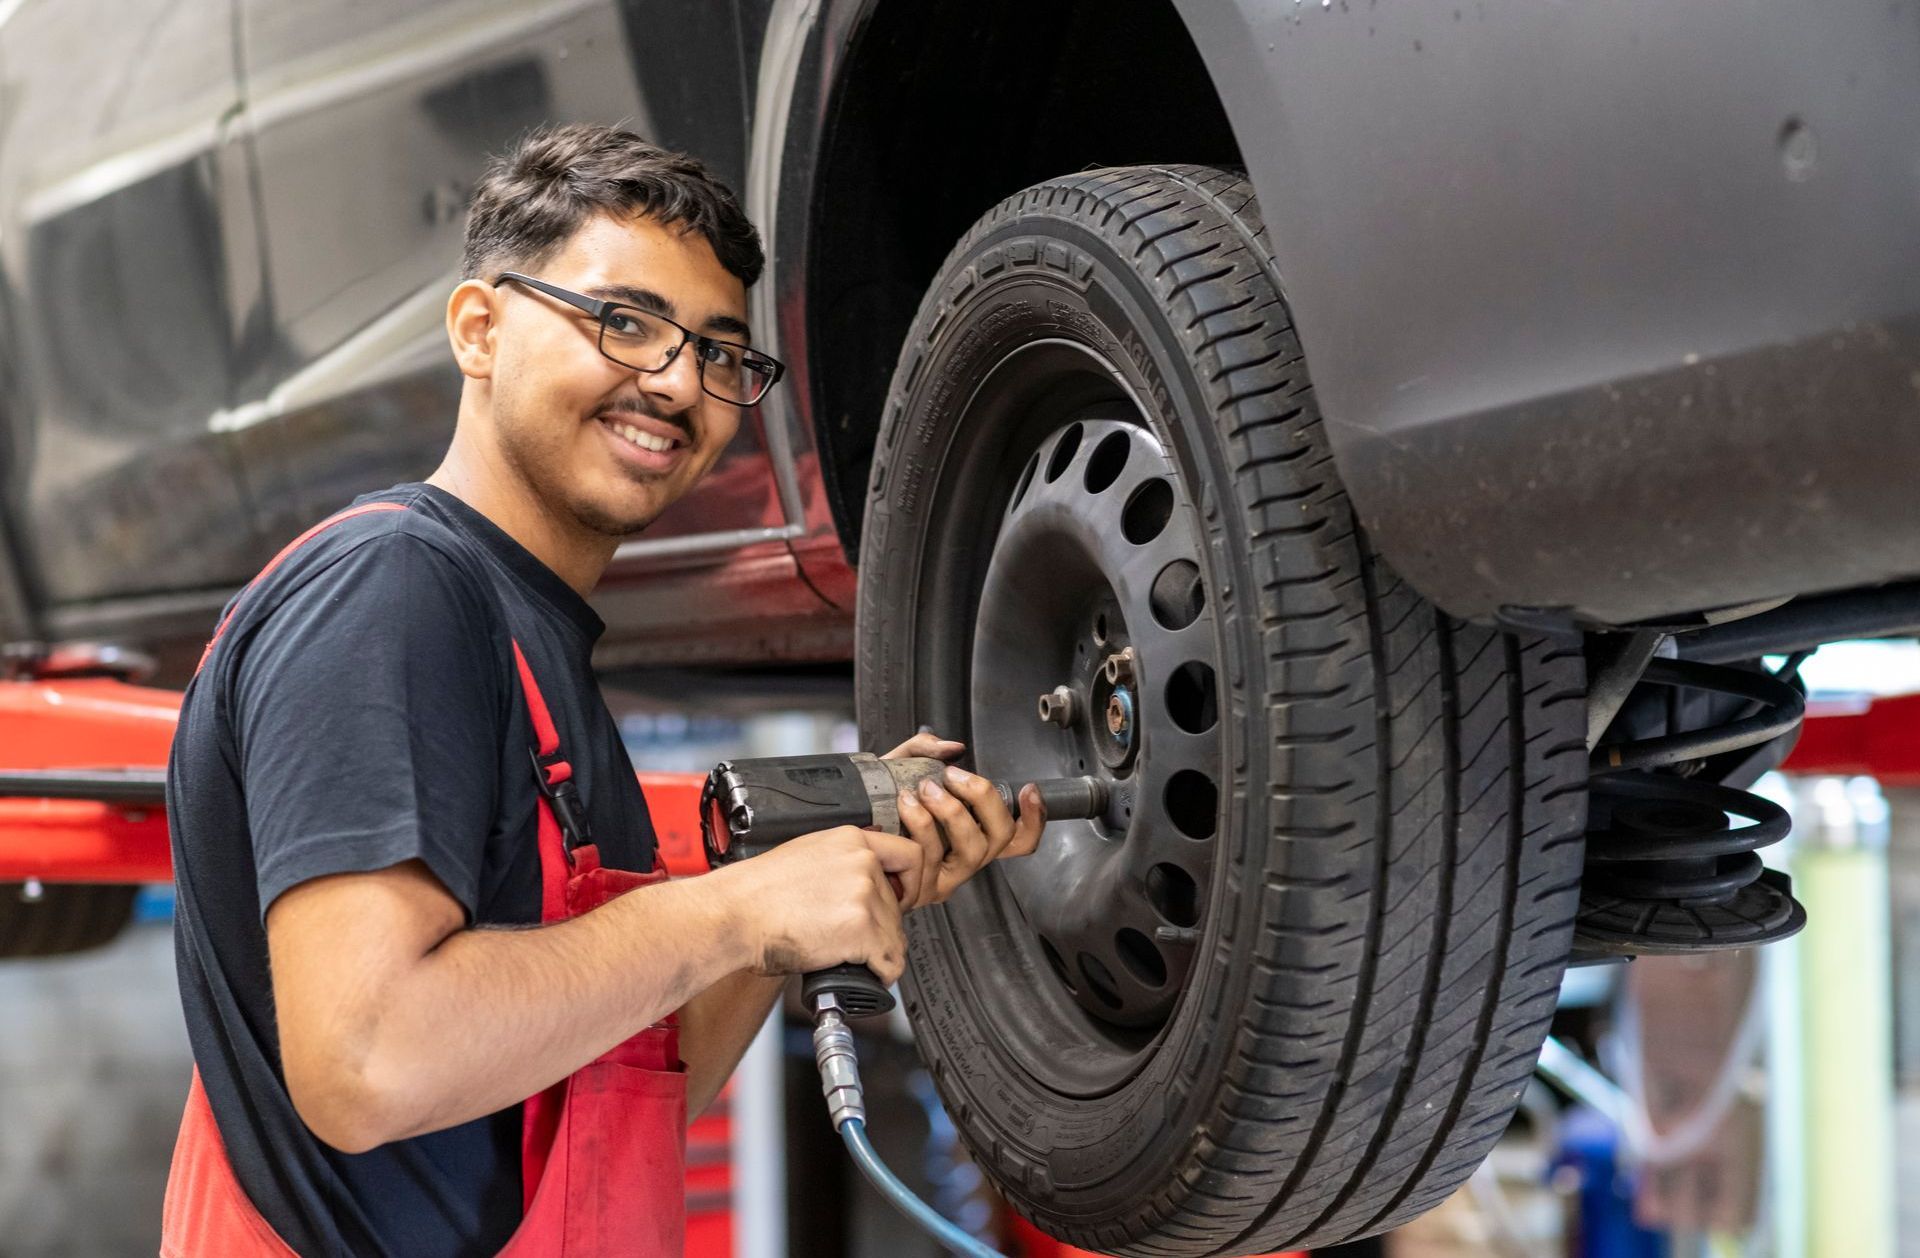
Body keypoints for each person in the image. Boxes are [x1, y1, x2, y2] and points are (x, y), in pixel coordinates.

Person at [159, 123, 1045, 1257]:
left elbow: (624, 1096)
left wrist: (792, 911)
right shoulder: (390, 589)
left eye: (721, 354)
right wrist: (730, 908)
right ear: (479, 330)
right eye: (624, 322)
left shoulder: (539, 654)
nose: (678, 383)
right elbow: (369, 1058)